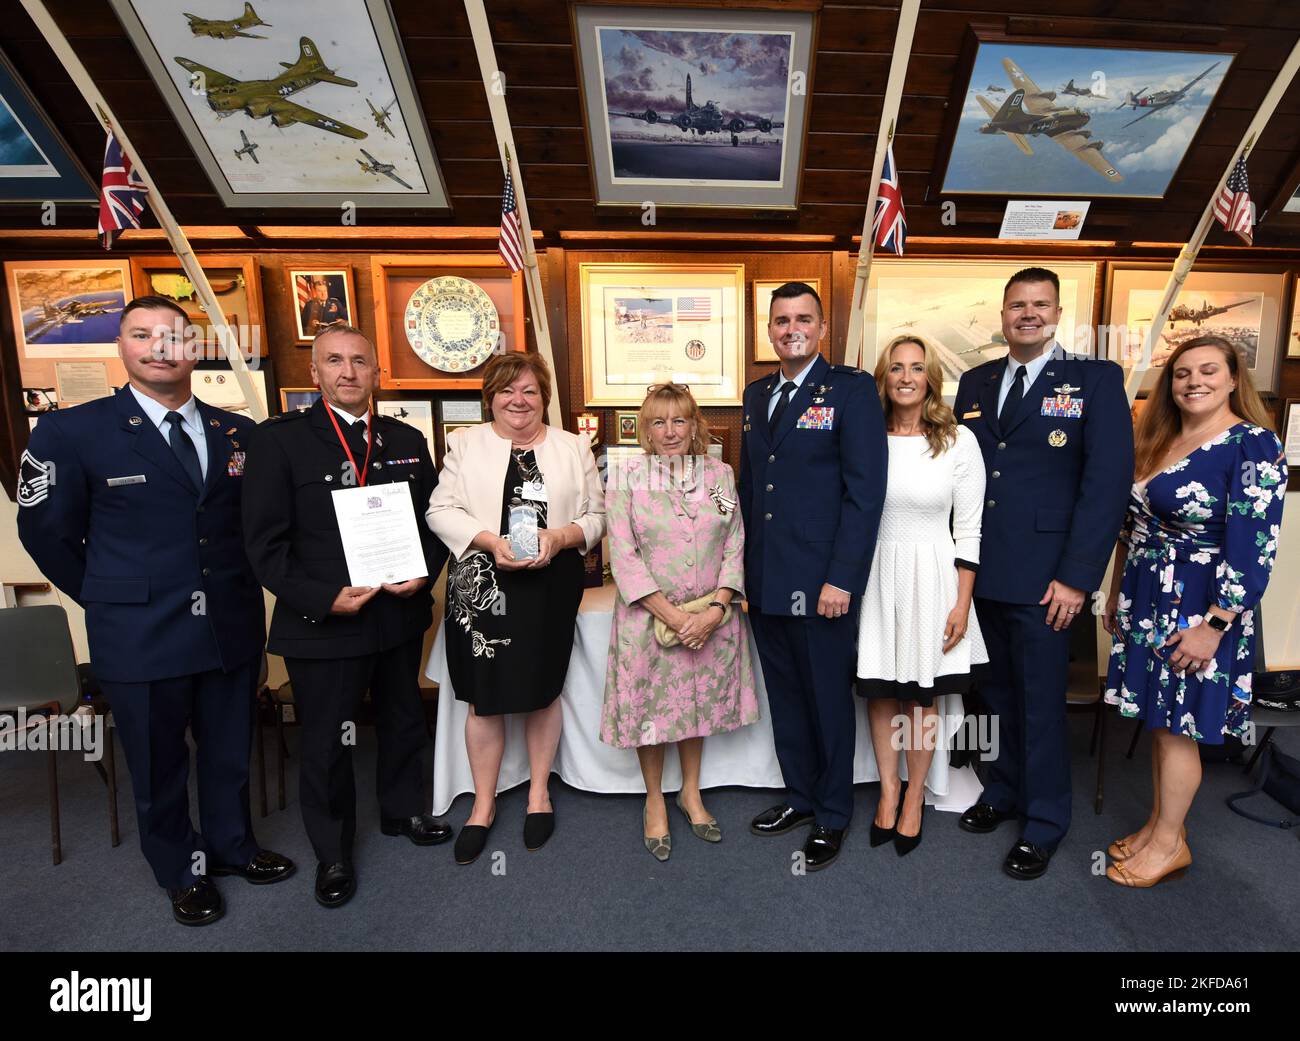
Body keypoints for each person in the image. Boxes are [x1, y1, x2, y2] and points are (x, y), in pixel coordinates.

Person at [17, 295, 293, 927]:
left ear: (195, 349)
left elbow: (254, 530)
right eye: (143, 335)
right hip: (137, 632)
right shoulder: (72, 431)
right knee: (157, 759)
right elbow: (45, 531)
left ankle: (231, 848)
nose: (160, 347)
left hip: (228, 625)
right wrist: (106, 594)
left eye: (174, 336)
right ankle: (180, 869)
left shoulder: (237, 433)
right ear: (123, 348)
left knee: (229, 750)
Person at [241, 324, 450, 909]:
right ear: (315, 373)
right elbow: (263, 545)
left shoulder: (405, 438)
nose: (348, 372)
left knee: (405, 720)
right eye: (334, 361)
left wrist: (425, 574)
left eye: (360, 361)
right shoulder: (279, 442)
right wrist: (321, 595)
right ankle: (332, 852)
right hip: (324, 623)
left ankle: (403, 813)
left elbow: (435, 525)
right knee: (329, 741)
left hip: (396, 616)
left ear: (376, 372)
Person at [953, 267, 1134, 880]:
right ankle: (1002, 791)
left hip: (1049, 580)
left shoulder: (1094, 379)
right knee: (993, 694)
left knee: (1040, 702)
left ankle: (1046, 820)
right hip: (984, 573)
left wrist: (1078, 577)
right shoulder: (975, 382)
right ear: (1001, 314)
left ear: (1058, 312)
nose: (1026, 314)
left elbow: (1105, 484)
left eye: (1039, 305)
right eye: (1015, 305)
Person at [1102, 335, 1286, 887]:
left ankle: (1167, 847)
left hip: (1200, 607)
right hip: (1148, 595)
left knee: (1179, 727)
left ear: (1234, 379)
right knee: (1160, 723)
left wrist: (1215, 626)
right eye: (1181, 374)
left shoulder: (1252, 444)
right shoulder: (1161, 438)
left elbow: (1254, 546)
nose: (1193, 382)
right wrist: (1116, 592)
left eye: (1208, 370)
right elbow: (1132, 527)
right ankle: (1163, 827)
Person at [425, 352, 605, 865]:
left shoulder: (574, 447)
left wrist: (562, 535)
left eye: (528, 390)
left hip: (552, 583)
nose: (517, 400)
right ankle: (482, 805)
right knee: (485, 697)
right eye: (506, 391)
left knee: (543, 689)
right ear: (490, 397)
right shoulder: (465, 444)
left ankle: (538, 795)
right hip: (483, 582)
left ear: (543, 396)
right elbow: (441, 510)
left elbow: (598, 515)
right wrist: (487, 540)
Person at [741, 281, 888, 871]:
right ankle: (800, 795)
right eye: (781, 320)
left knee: (828, 700)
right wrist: (743, 577)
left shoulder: (850, 392)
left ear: (822, 328)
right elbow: (754, 493)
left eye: (803, 318)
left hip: (824, 583)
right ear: (770, 330)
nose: (791, 328)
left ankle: (832, 811)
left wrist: (842, 579)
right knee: (788, 698)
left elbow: (865, 494)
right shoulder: (757, 396)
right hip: (769, 580)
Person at [600, 383, 758, 860]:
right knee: (652, 711)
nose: (669, 431)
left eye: (679, 421)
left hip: (711, 614)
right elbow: (623, 552)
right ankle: (654, 800)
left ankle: (691, 793)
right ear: (645, 430)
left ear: (695, 426)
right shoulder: (627, 477)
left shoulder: (719, 475)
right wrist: (672, 615)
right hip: (649, 618)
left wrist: (716, 609)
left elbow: (735, 538)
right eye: (658, 422)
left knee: (695, 707)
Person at [857, 335, 988, 856]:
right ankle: (887, 793)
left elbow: (972, 529)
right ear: (883, 378)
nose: (906, 377)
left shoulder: (959, 440)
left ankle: (914, 796)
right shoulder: (865, 436)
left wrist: (961, 603)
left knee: (921, 696)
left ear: (931, 376)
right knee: (880, 688)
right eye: (895, 368)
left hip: (934, 575)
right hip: (875, 573)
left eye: (916, 368)